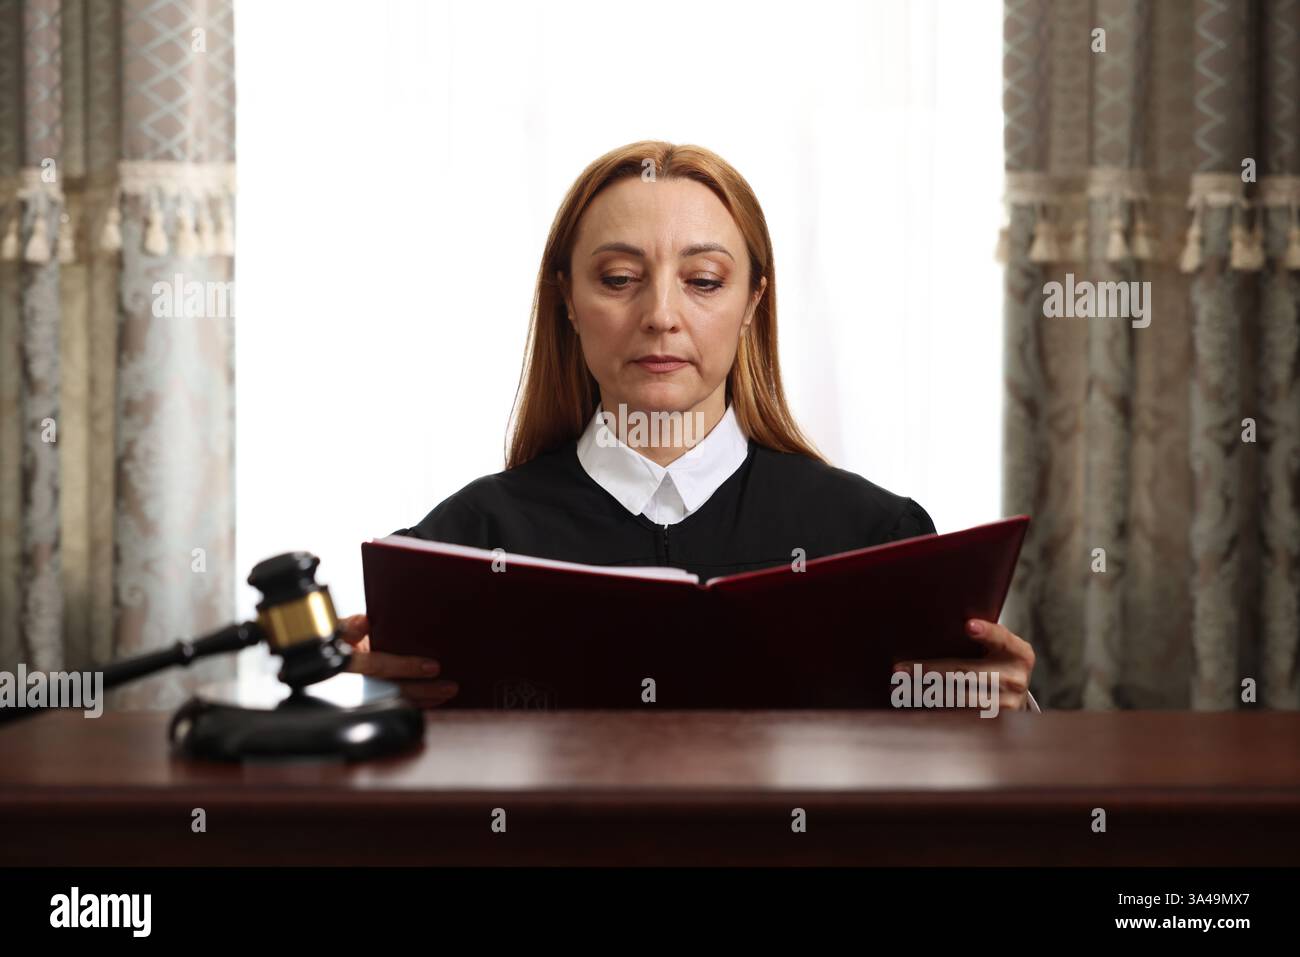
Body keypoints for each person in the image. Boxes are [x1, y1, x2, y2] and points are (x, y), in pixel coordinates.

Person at [339, 141, 1036, 711]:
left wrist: (1003, 709)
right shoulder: (460, 548)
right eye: (618, 278)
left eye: (703, 280)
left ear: (752, 301)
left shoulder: (878, 539)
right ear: (568, 301)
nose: (661, 315)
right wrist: (359, 700)